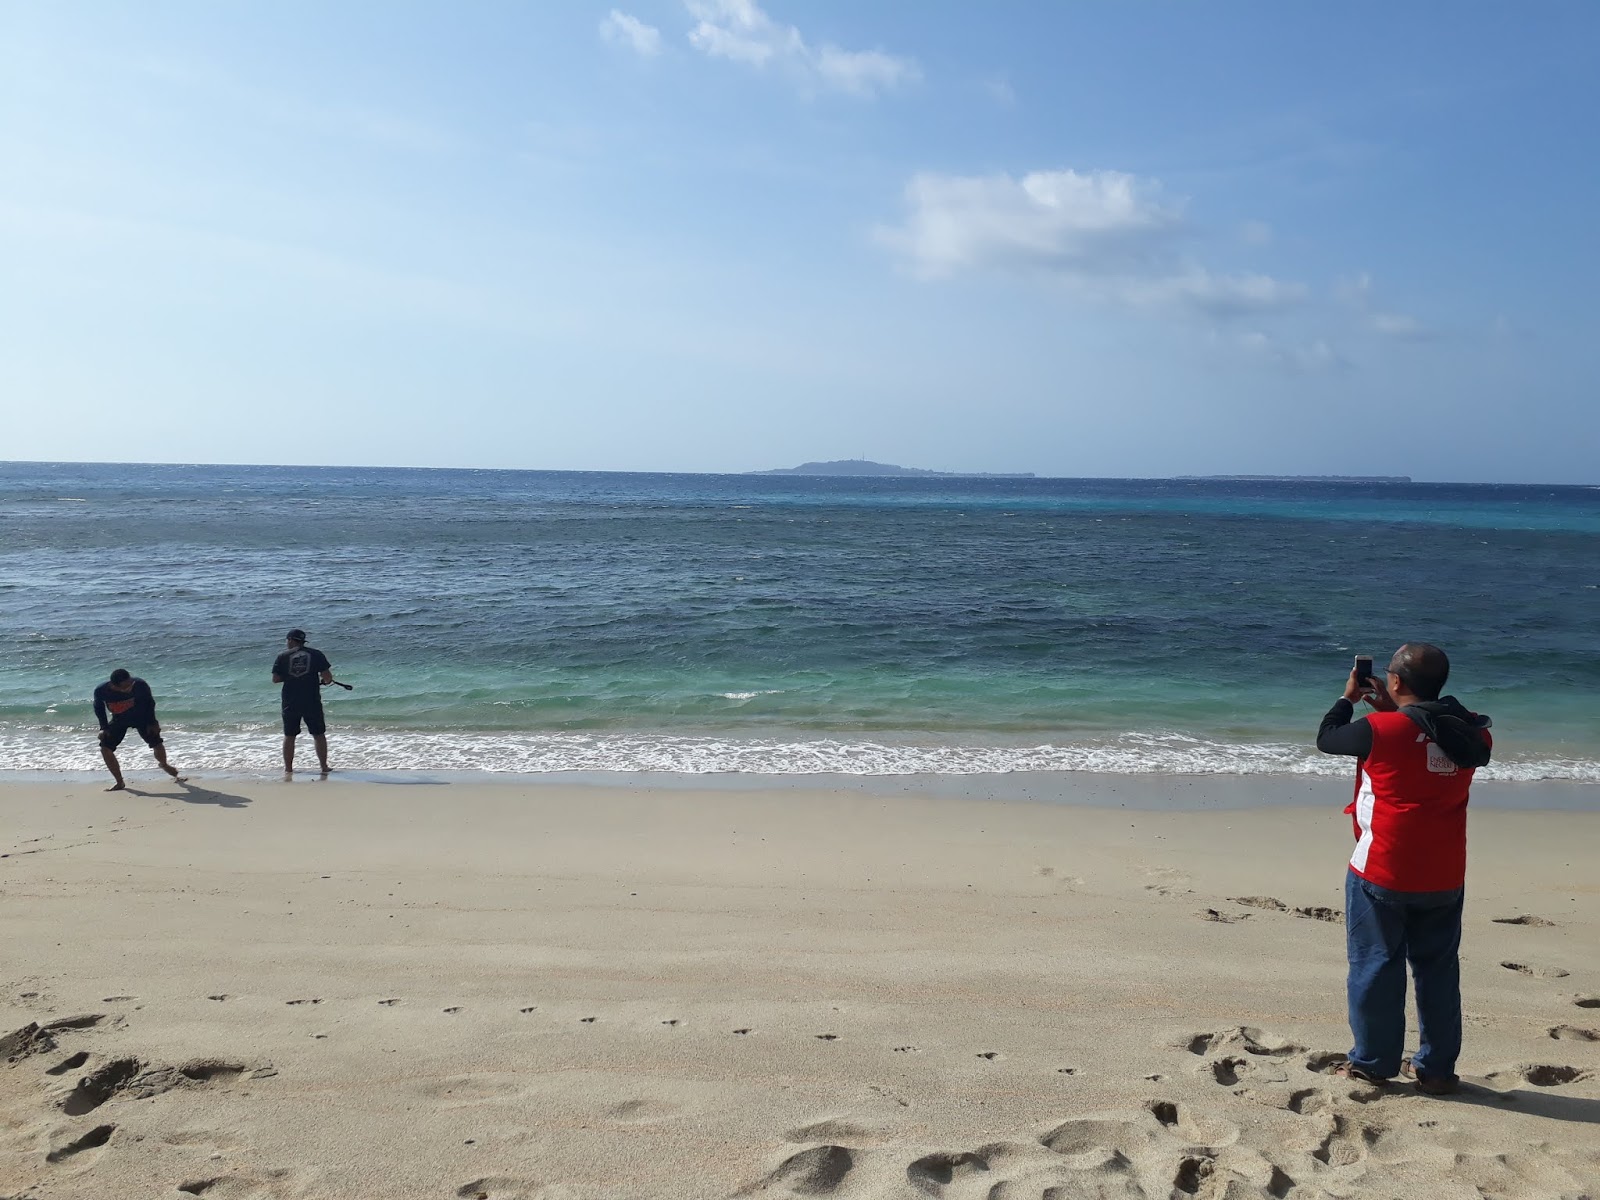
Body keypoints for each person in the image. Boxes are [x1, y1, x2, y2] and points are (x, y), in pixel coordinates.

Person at [1316, 643, 1492, 1095]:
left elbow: (1328, 737)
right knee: (1438, 970)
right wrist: (1397, 709)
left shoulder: (1380, 729)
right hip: (1444, 872)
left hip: (1383, 868)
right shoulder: (1472, 733)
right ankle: (1436, 1070)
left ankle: (1373, 1063)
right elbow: (1432, 734)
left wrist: (1348, 697)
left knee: (1376, 965)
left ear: (1394, 681)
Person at [93, 668, 185, 790]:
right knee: (105, 748)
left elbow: (150, 703)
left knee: (156, 743)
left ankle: (164, 764)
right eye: (126, 687)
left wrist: (153, 722)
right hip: (119, 719)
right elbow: (98, 708)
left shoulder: (140, 685)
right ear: (114, 686)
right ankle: (119, 782)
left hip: (142, 718)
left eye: (130, 684)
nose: (130, 688)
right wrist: (103, 728)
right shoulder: (101, 690)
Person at [272, 629, 333, 779]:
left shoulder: (282, 656)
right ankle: (324, 766)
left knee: (289, 735)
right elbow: (327, 677)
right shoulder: (316, 654)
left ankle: (288, 769)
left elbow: (275, 679)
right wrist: (323, 681)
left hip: (290, 701)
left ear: (290, 640)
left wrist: (290, 677)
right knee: (318, 734)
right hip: (311, 700)